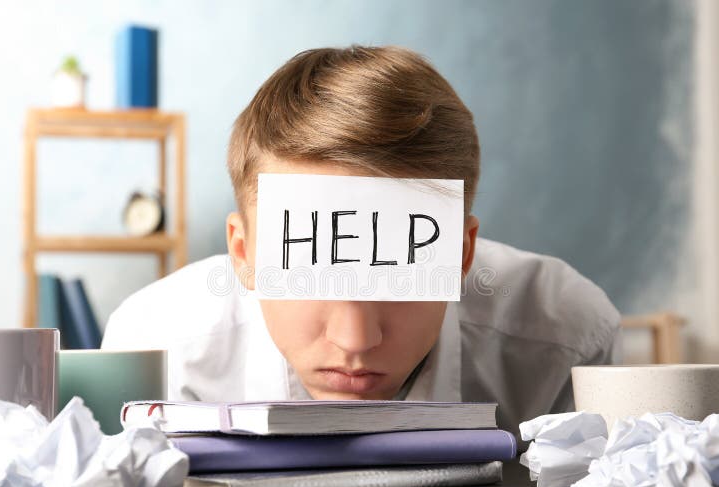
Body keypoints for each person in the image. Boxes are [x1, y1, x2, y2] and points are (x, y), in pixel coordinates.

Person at [102, 46, 622, 442]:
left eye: (399, 271)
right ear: (244, 254)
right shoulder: (154, 349)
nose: (355, 340)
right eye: (310, 268)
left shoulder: (563, 338)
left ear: (461, 256)